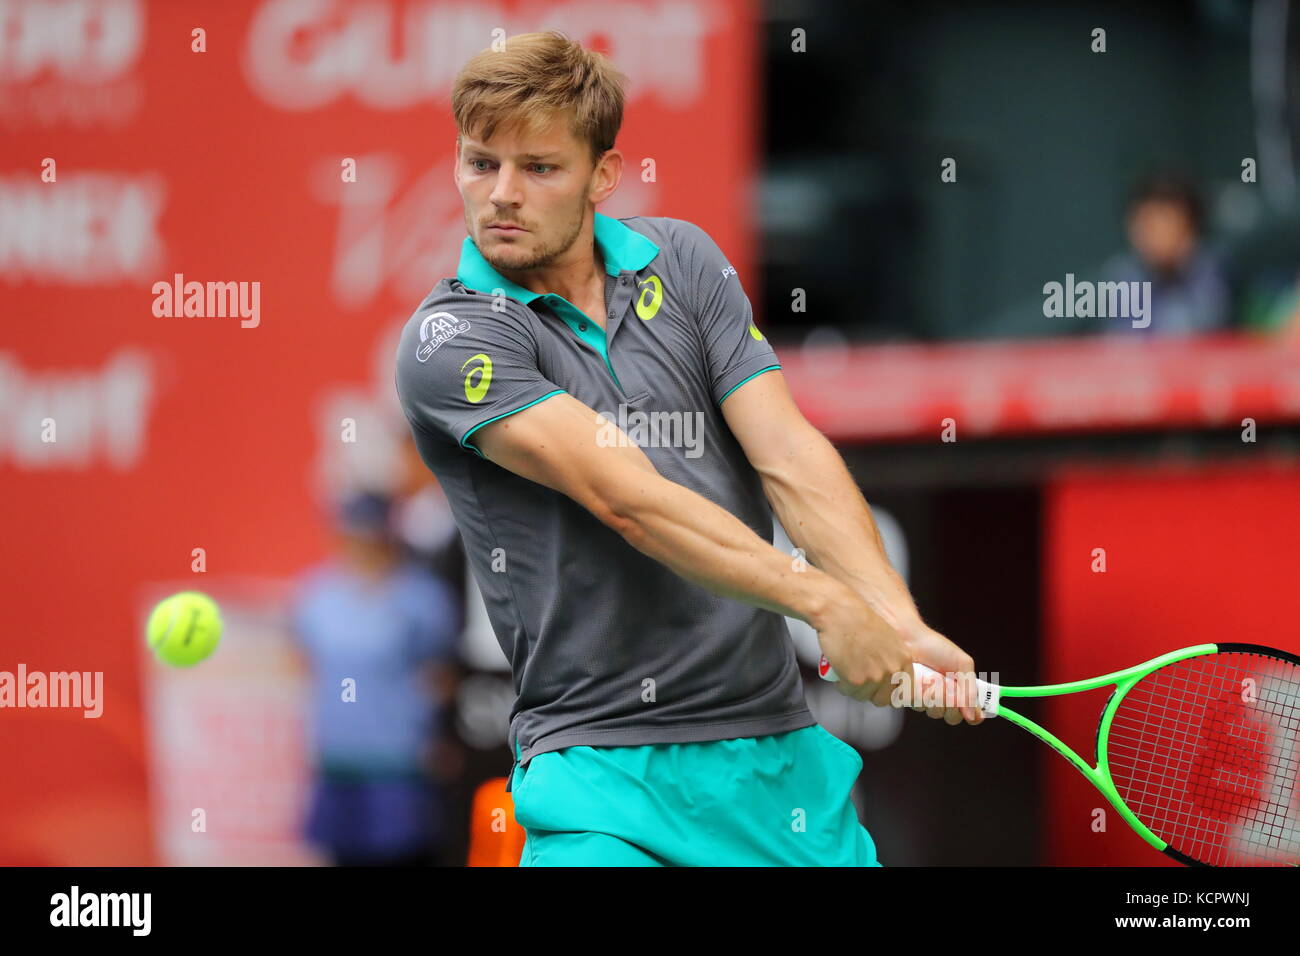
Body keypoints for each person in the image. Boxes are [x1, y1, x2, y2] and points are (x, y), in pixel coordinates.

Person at [394, 31, 982, 867]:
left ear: (603, 175)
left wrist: (895, 617)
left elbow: (787, 452)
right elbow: (625, 497)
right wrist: (826, 605)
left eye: (540, 167)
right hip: (599, 784)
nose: (502, 195)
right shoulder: (451, 341)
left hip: (778, 771)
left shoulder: (687, 262)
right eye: (480, 163)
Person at [292, 491, 460, 866]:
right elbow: (308, 663)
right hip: (337, 762)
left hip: (398, 766)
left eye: (370, 531)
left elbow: (441, 678)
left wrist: (436, 737)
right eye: (353, 531)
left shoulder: (423, 597)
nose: (362, 542)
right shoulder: (315, 595)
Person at [1099, 172, 1229, 337]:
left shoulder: (1207, 270)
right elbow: (1124, 341)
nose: (1158, 238)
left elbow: (1206, 330)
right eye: (1149, 226)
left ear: (1190, 230)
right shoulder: (1122, 275)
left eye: (1169, 225)